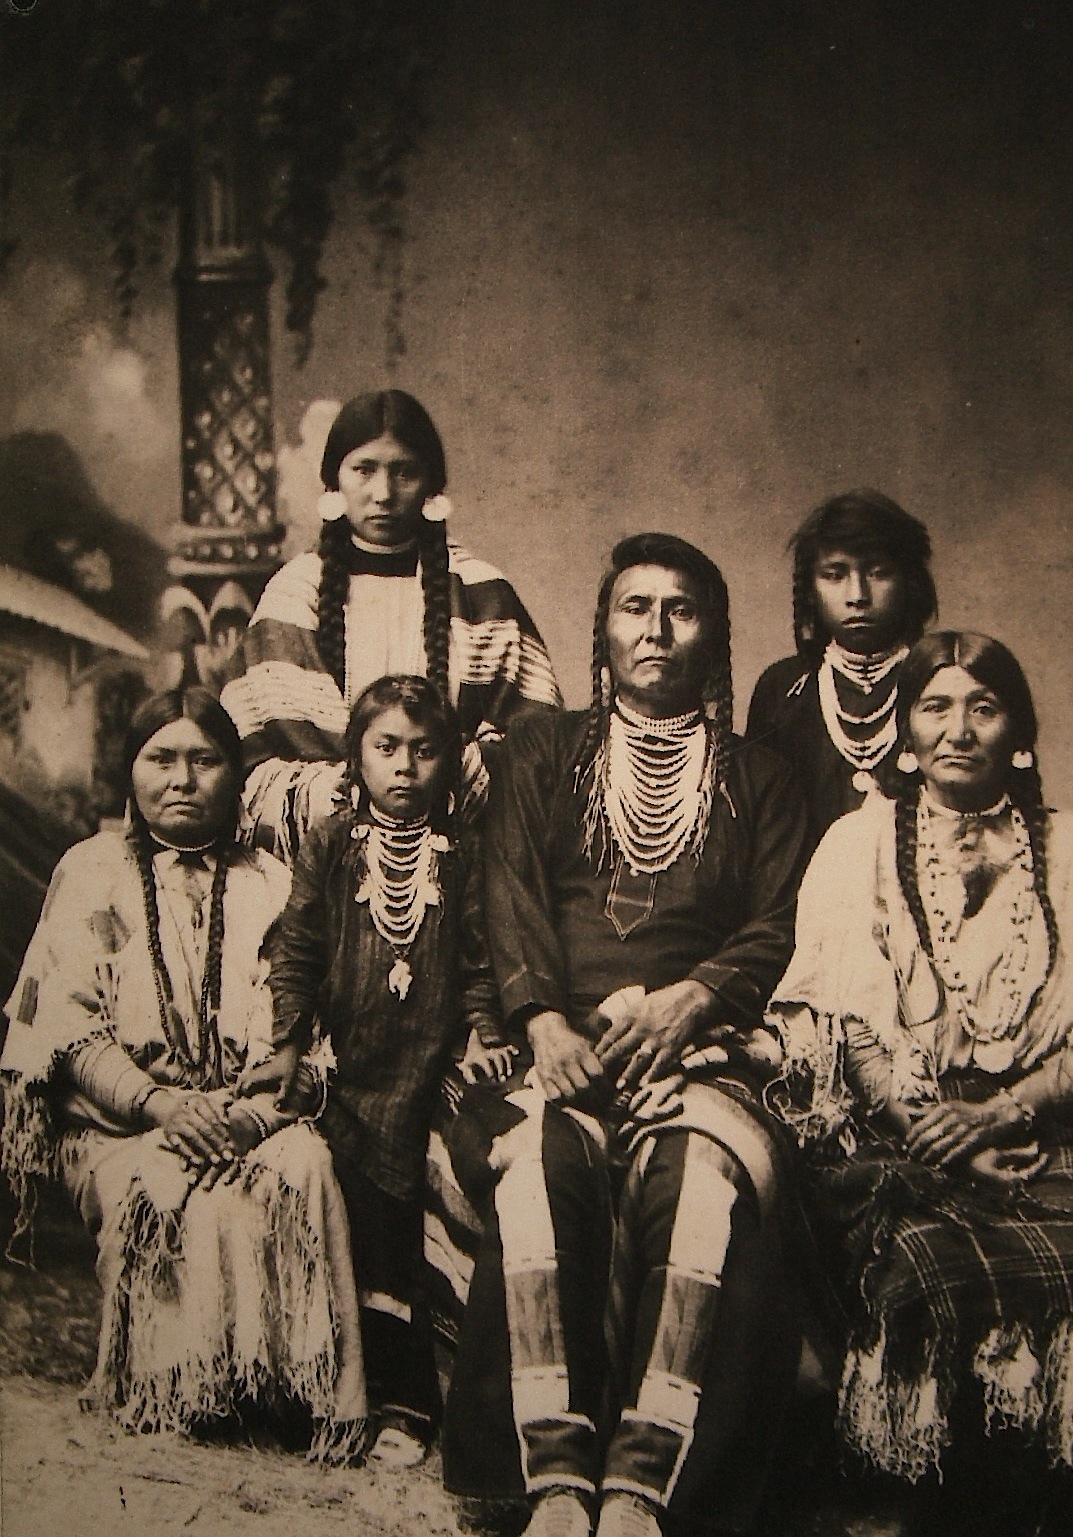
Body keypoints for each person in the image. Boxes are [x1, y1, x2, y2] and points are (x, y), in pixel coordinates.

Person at [766, 633, 1073, 1509]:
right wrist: (944, 1137)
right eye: (935, 706)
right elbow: (851, 1027)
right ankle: (941, 1489)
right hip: (907, 1127)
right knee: (921, 1263)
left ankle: (1063, 1490)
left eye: (983, 707)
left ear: (1020, 734)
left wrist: (1002, 1116)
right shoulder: (858, 847)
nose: (958, 729)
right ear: (908, 735)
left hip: (1051, 1125)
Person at [440, 534, 811, 1537]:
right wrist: (546, 1022)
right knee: (539, 1163)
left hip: (699, 1052)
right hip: (554, 1043)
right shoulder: (540, 753)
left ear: (716, 636)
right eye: (634, 606)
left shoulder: (764, 780)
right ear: (601, 631)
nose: (656, 627)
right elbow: (507, 892)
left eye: (681, 608)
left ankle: (649, 1481)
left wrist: (694, 1000)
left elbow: (775, 924)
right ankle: (554, 1474)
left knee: (696, 1178)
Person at [0, 688, 368, 1460]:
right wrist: (162, 1105)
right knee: (173, 1188)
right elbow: (68, 1032)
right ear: (129, 773)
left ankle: (301, 1392)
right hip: (127, 1122)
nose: (182, 779)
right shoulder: (89, 870)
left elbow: (299, 1024)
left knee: (306, 1163)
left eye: (205, 760)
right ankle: (194, 1385)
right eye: (160, 758)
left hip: (251, 1112)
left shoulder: (273, 880)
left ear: (236, 774)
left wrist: (248, 1115)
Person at [241, 675, 513, 1467]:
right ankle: (335, 1393)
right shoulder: (329, 841)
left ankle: (412, 1404)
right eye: (385, 748)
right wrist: (290, 1043)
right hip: (346, 1064)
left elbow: (476, 955)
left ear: (451, 759)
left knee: (416, 1230)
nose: (404, 767)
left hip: (429, 1064)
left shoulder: (463, 852)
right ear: (355, 756)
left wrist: (485, 1031)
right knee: (355, 1227)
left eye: (425, 751)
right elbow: (296, 950)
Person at [221, 389, 561, 862]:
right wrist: (346, 791)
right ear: (335, 481)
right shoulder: (293, 597)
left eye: (403, 471)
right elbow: (248, 758)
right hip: (319, 860)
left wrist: (444, 777)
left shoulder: (481, 592)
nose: (383, 493)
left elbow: (538, 743)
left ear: (431, 486)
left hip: (466, 854)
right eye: (364, 470)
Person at [746, 489, 936, 845]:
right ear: (810, 590)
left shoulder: (939, 682)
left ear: (909, 582)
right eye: (834, 575)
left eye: (879, 573)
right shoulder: (783, 688)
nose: (858, 595)